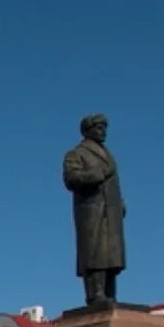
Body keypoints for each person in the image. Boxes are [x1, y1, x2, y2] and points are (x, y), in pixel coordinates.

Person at [62, 113, 127, 307]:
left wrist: (120, 202)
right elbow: (71, 179)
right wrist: (96, 174)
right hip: (92, 211)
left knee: (112, 255)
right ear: (87, 131)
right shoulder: (76, 154)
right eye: (98, 127)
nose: (103, 131)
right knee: (95, 253)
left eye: (104, 127)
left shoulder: (108, 154)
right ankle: (95, 294)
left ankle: (109, 293)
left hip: (111, 210)